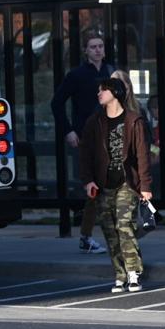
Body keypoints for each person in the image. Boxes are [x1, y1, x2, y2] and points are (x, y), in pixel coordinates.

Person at [80, 76, 154, 293]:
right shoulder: (94, 122)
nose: (99, 94)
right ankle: (120, 274)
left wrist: (145, 186)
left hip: (126, 183)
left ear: (115, 93)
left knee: (125, 226)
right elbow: (85, 154)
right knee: (110, 230)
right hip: (103, 184)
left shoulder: (134, 121)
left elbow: (142, 155)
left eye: (103, 90)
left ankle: (133, 273)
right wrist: (88, 180)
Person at [50, 32, 112, 252]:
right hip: (87, 138)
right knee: (96, 187)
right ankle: (88, 236)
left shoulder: (111, 72)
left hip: (110, 136)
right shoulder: (76, 75)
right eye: (93, 47)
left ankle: (101, 235)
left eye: (100, 46)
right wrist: (69, 131)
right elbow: (56, 103)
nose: (97, 50)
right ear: (86, 51)